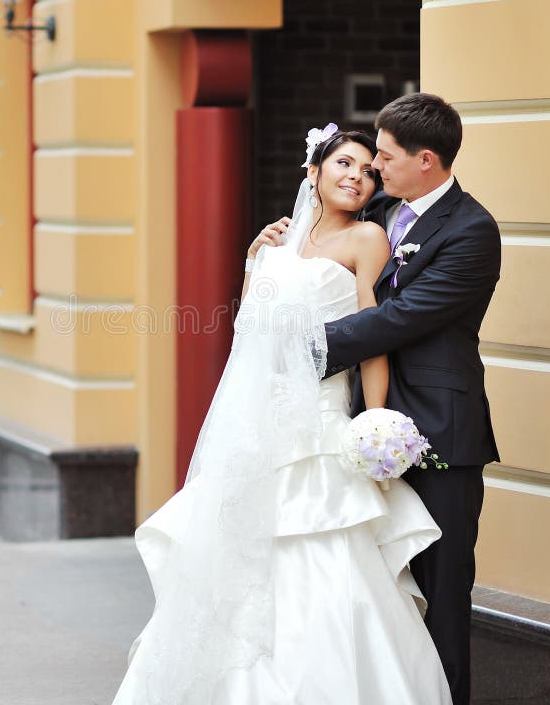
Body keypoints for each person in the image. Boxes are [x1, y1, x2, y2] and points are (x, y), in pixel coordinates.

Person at [112, 125, 452, 704]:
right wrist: (253, 258)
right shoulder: (276, 241)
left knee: (324, 551)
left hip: (319, 428)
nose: (357, 176)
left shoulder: (368, 238)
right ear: (313, 171)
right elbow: (250, 333)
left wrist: (374, 421)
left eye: (369, 171)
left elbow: (373, 334)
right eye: (344, 163)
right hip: (257, 426)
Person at [322, 93, 501, 705]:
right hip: (358, 427)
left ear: (427, 160)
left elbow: (404, 316)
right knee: (377, 590)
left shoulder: (473, 230)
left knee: (441, 592)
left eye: (387, 155)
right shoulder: (376, 208)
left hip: (440, 432)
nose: (373, 165)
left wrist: (305, 344)